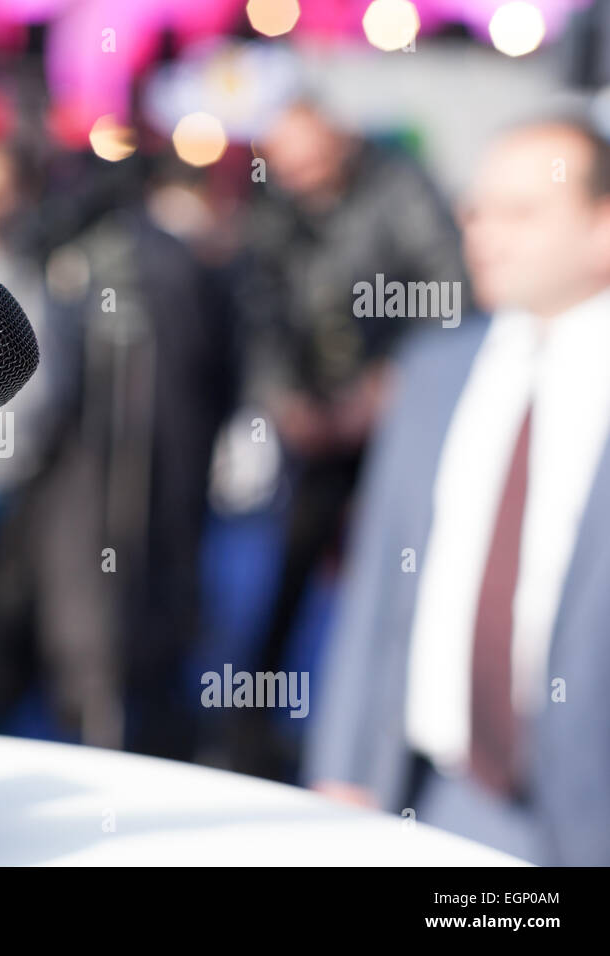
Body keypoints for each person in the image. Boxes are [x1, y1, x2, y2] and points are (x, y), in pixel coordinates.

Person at [304, 115, 610, 864]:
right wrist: (344, 768)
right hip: (434, 799)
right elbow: (377, 586)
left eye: (522, 213)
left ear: (604, 228)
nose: (485, 234)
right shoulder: (435, 370)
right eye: (477, 209)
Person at [232, 99, 469, 779]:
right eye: (285, 165)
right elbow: (261, 307)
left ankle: (395, 746)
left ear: (338, 142)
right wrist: (283, 398)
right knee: (291, 569)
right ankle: (251, 728)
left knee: (399, 571)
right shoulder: (275, 209)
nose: (298, 176)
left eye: (308, 160)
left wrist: (391, 384)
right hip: (317, 419)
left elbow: (450, 290)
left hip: (398, 414)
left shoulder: (400, 187)